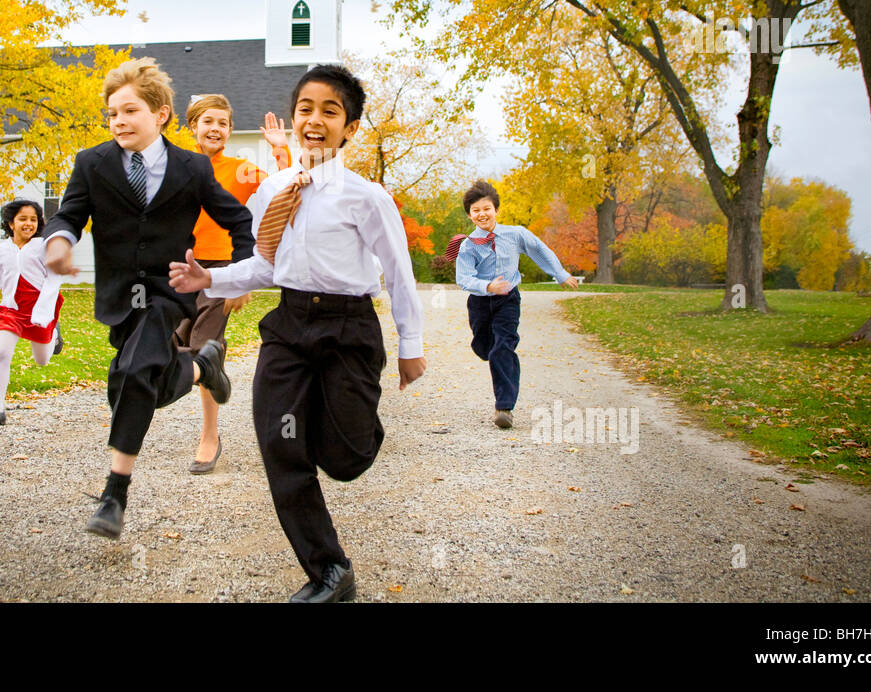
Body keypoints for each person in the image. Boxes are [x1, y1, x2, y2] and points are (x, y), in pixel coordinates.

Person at [169, 63, 426, 604]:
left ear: (350, 127)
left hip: (348, 328)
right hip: (288, 327)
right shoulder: (273, 191)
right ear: (292, 119)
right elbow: (263, 266)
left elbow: (397, 272)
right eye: (305, 109)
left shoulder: (366, 197)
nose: (315, 119)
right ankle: (329, 570)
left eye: (330, 111)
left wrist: (411, 346)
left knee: (346, 458)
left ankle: (353, 432)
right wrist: (210, 277)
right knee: (280, 446)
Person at [42, 57, 254, 540]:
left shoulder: (191, 167)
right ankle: (203, 366)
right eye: (112, 113)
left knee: (138, 372)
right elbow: (69, 216)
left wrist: (237, 277)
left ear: (160, 114)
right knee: (126, 384)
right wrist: (58, 243)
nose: (118, 121)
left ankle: (114, 493)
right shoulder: (91, 163)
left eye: (129, 110)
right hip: (120, 298)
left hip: (168, 291)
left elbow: (239, 223)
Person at [175, 95, 291, 474]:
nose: (216, 129)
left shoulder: (240, 170)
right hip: (178, 270)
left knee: (203, 347)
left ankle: (209, 436)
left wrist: (281, 152)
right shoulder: (175, 167)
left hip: (221, 270)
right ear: (193, 125)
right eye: (208, 121)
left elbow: (285, 192)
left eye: (223, 123)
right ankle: (211, 373)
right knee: (171, 349)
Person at [451, 179, 579, 429]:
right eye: (476, 210)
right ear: (470, 215)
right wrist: (487, 286)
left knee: (503, 347)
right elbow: (463, 278)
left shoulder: (516, 234)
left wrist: (560, 274)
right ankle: (496, 355)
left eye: (486, 208)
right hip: (479, 303)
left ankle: (504, 407)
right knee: (484, 346)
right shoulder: (468, 246)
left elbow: (539, 250)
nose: (482, 214)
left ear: (496, 209)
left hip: (507, 301)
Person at [0, 199, 68, 427]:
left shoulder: (44, 246)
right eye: (22, 219)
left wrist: (44, 310)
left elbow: (54, 278)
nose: (28, 223)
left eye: (33, 219)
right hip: (11, 310)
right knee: (3, 354)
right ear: (10, 223)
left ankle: (54, 336)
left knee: (42, 360)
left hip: (39, 309)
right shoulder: (1, 250)